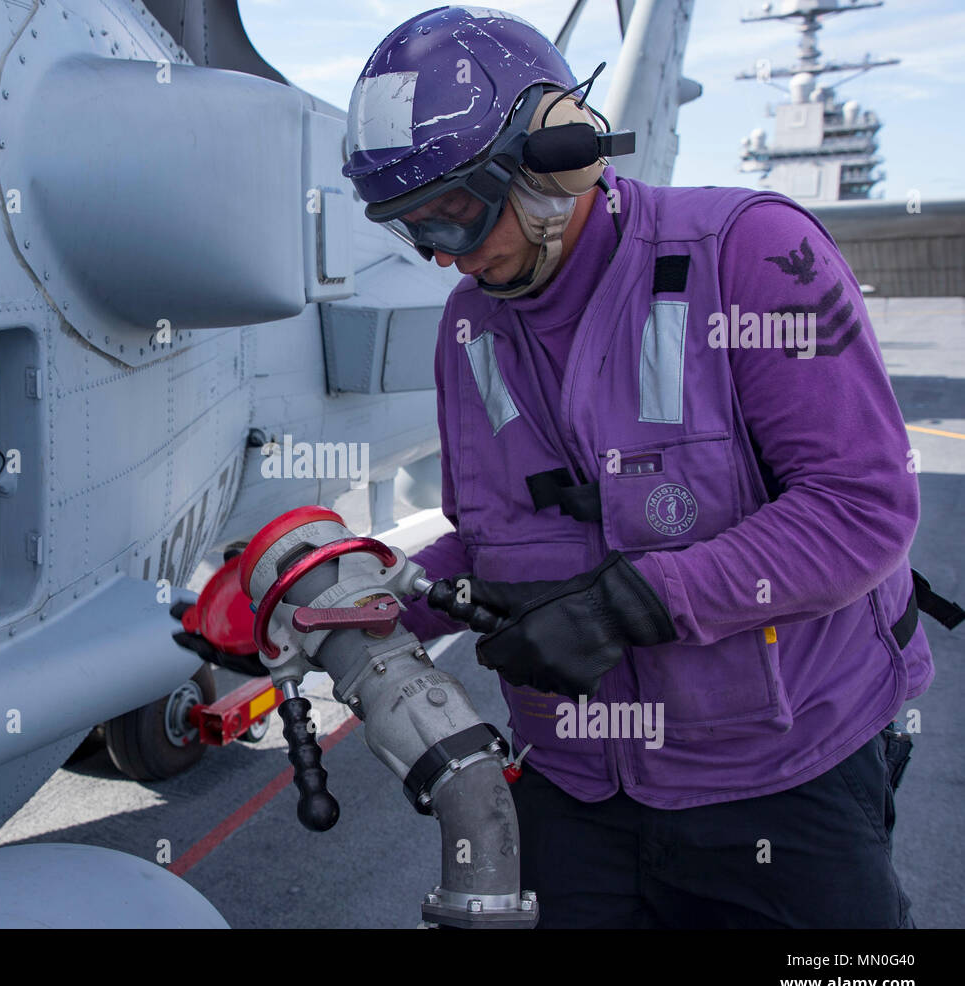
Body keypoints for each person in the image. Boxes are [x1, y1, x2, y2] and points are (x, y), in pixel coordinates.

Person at [340, 5, 959, 929]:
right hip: (577, 783)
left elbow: (859, 510)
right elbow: (492, 543)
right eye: (411, 227)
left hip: (783, 782)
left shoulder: (747, 254)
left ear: (557, 152)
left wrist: (630, 605)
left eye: (458, 213)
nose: (443, 255)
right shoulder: (470, 326)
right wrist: (366, 592)